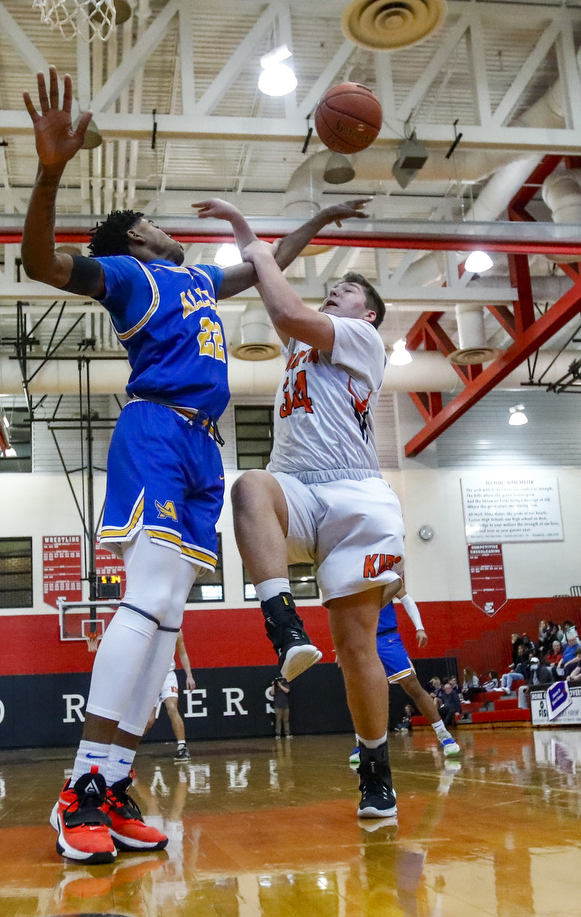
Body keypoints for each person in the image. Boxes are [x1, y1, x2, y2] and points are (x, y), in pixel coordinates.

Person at [21, 66, 369, 863]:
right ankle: (76, 790)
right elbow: (42, 264)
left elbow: (267, 265)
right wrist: (51, 170)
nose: (165, 224)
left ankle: (111, 783)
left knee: (168, 623)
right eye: (152, 218)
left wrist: (317, 218)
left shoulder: (198, 280)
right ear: (138, 234)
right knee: (144, 608)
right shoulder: (131, 274)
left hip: (202, 449)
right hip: (156, 434)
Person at [231, 240, 404, 819]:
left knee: (356, 650)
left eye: (347, 290)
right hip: (299, 486)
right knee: (250, 485)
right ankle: (284, 628)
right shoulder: (302, 346)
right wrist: (243, 231)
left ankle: (376, 771)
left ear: (368, 314)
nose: (335, 293)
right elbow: (270, 284)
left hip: (356, 496)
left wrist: (255, 250)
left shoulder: (361, 338)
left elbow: (281, 306)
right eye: (333, 289)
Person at [349, 584, 460, 765]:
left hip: (387, 638)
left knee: (412, 685)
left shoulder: (383, 570)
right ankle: (362, 744)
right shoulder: (351, 575)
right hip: (363, 640)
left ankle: (444, 735)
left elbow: (405, 598)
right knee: (363, 694)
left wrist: (420, 627)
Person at [145, 630, 195, 762]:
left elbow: (182, 653)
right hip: (150, 676)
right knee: (149, 721)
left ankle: (182, 747)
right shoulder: (149, 627)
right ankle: (126, 747)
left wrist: (189, 676)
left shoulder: (176, 630)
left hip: (168, 674)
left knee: (172, 707)